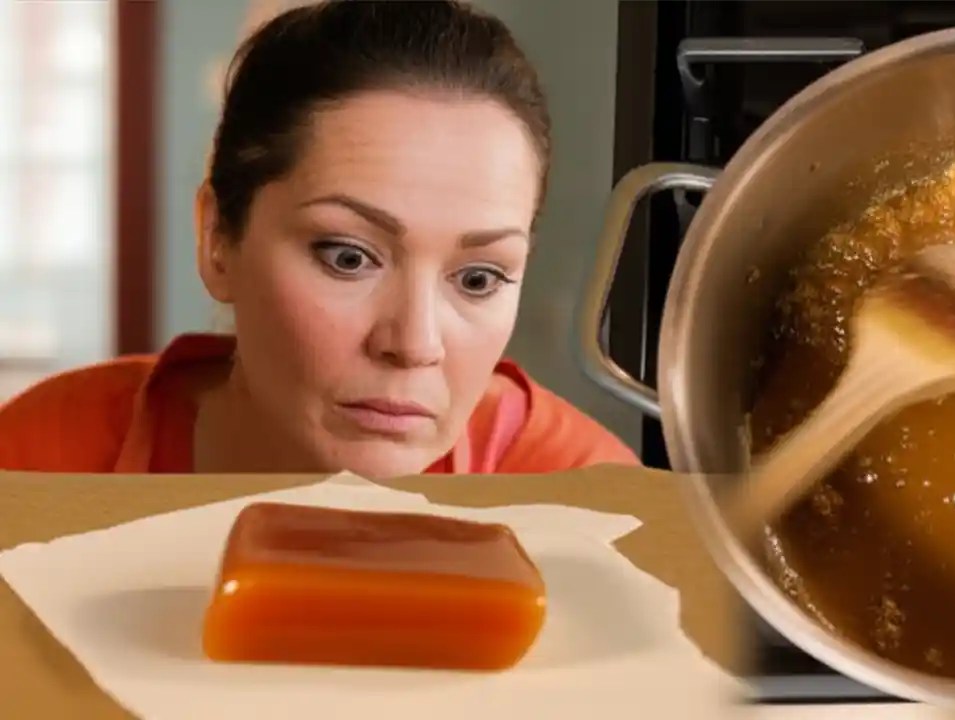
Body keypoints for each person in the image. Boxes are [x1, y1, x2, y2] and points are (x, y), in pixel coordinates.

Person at [0, 0, 637, 476]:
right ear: (218, 238)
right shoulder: (44, 462)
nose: (414, 345)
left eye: (478, 279)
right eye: (348, 257)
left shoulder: (584, 490)